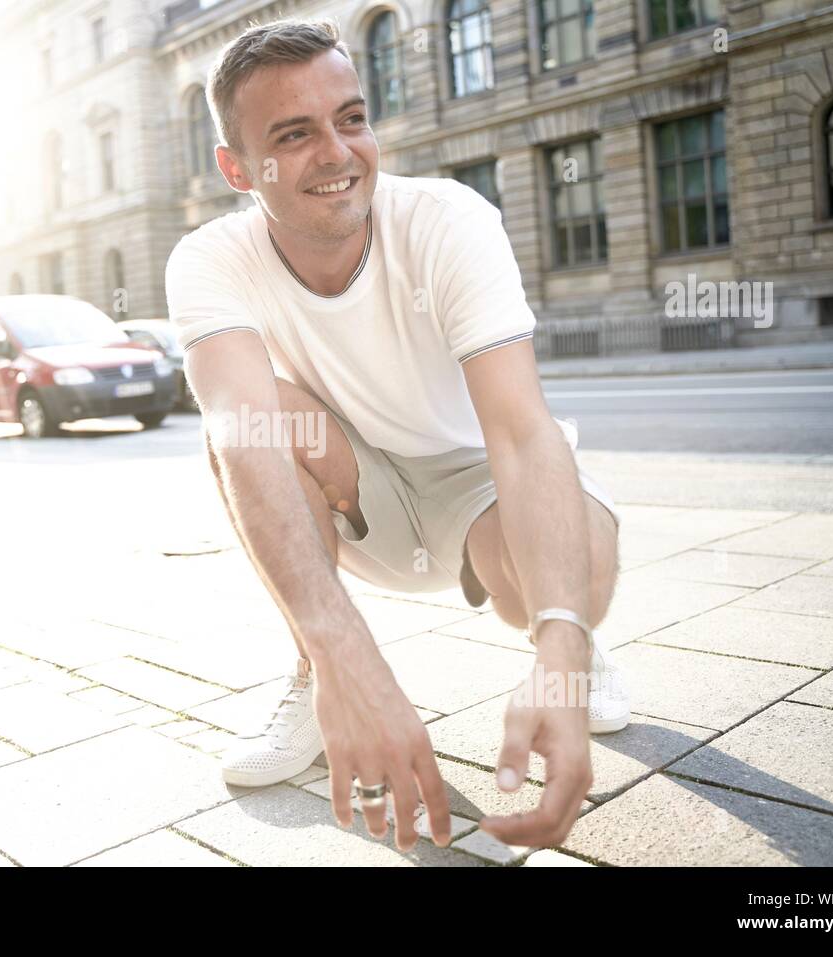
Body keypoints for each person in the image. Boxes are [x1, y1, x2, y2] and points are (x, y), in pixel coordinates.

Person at [164, 17, 628, 856]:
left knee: (577, 569)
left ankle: (581, 643)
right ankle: (312, 677)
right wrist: (346, 655)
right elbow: (242, 437)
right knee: (248, 411)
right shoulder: (209, 259)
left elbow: (523, 433)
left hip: (477, 479)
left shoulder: (449, 220)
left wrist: (560, 647)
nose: (339, 153)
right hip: (353, 485)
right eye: (294, 134)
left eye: (351, 117)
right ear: (238, 168)